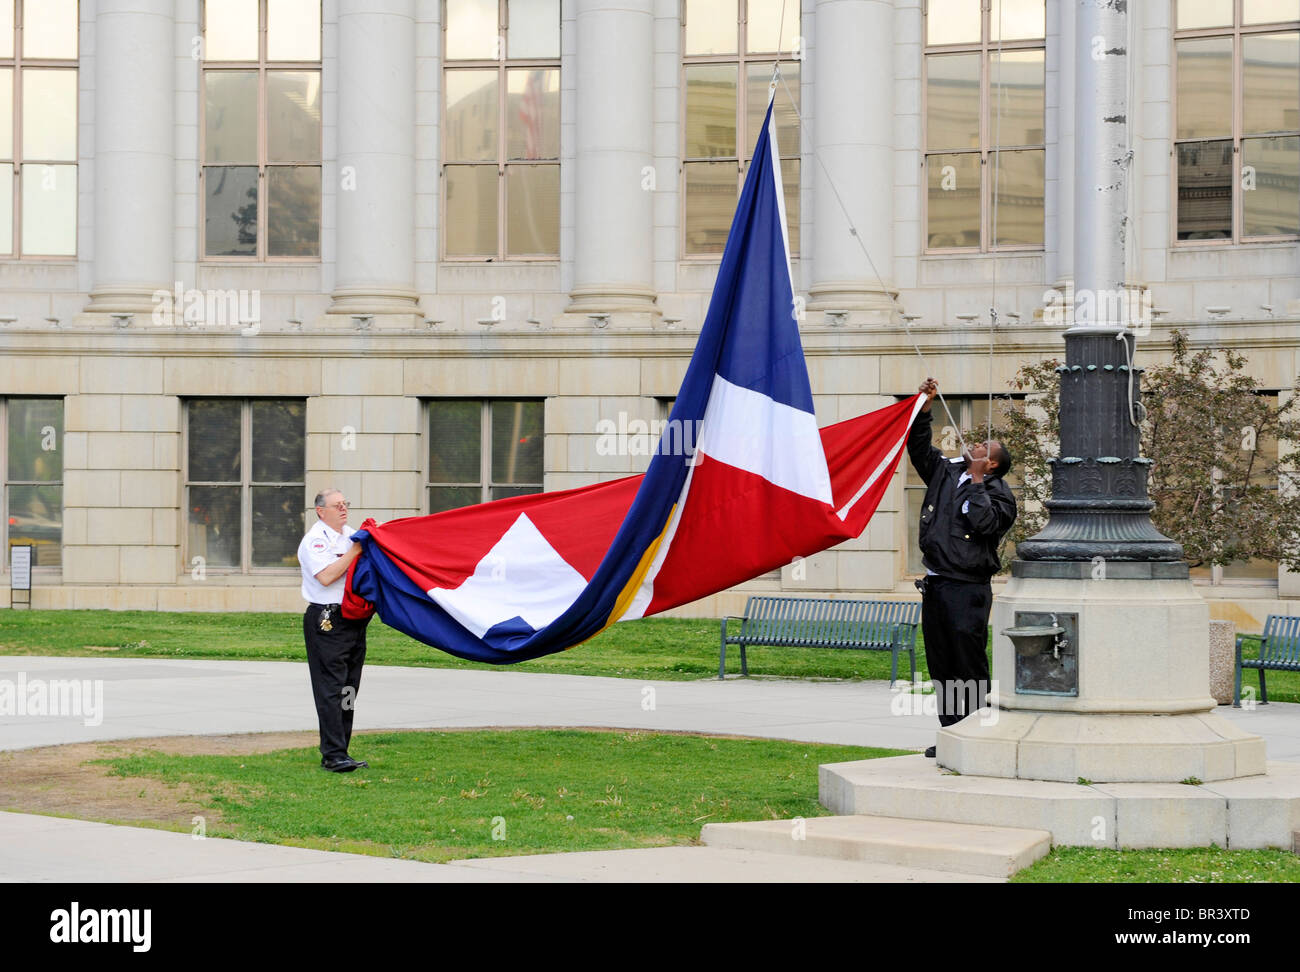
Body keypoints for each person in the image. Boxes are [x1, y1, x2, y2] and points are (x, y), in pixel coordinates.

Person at [907, 378, 1017, 758]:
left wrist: (975, 479)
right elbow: (919, 449)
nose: (974, 445)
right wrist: (924, 407)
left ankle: (976, 736)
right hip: (936, 586)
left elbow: (983, 524)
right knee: (942, 665)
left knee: (967, 664)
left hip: (967, 589)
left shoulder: (999, 495)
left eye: (983, 448)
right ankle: (951, 736)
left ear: (992, 463)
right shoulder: (945, 473)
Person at [298, 488, 369, 772]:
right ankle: (332, 754)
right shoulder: (315, 541)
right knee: (331, 687)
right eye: (337, 505)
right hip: (327, 619)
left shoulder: (349, 535)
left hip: (353, 618)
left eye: (345, 504)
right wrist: (355, 551)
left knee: (350, 686)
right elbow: (327, 576)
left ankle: (343, 750)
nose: (343, 509)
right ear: (320, 511)